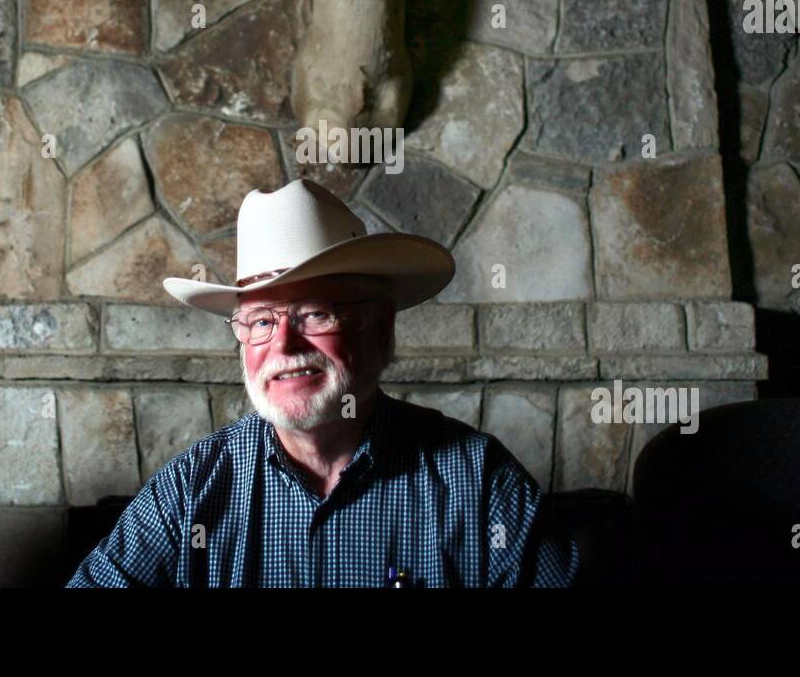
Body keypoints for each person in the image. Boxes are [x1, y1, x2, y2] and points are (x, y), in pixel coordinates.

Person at [66, 178, 580, 587]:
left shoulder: (478, 484)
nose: (284, 346)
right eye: (262, 321)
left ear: (380, 328)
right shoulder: (187, 493)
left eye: (316, 314)